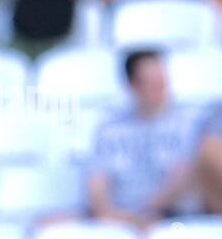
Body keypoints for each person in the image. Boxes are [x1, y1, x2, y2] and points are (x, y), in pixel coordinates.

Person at [87, 50, 203, 227]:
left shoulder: (190, 124)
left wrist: (150, 211)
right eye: (153, 84)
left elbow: (186, 175)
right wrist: (112, 215)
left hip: (172, 219)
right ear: (133, 85)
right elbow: (98, 186)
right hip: (119, 220)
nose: (162, 89)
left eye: (163, 82)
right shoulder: (109, 130)